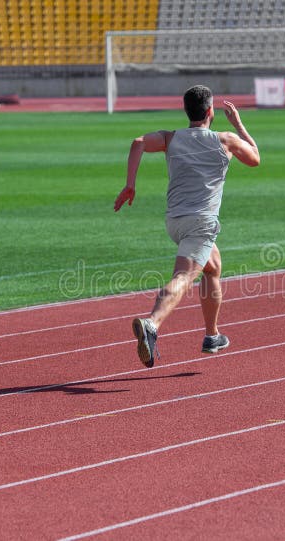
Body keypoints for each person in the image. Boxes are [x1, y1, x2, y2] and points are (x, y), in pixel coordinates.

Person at [113, 85, 260, 368]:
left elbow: (138, 142)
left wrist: (130, 184)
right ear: (210, 111)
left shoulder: (172, 138)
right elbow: (255, 158)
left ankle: (212, 335)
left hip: (175, 221)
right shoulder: (225, 140)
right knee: (184, 275)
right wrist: (239, 124)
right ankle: (152, 323)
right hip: (201, 222)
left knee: (213, 266)